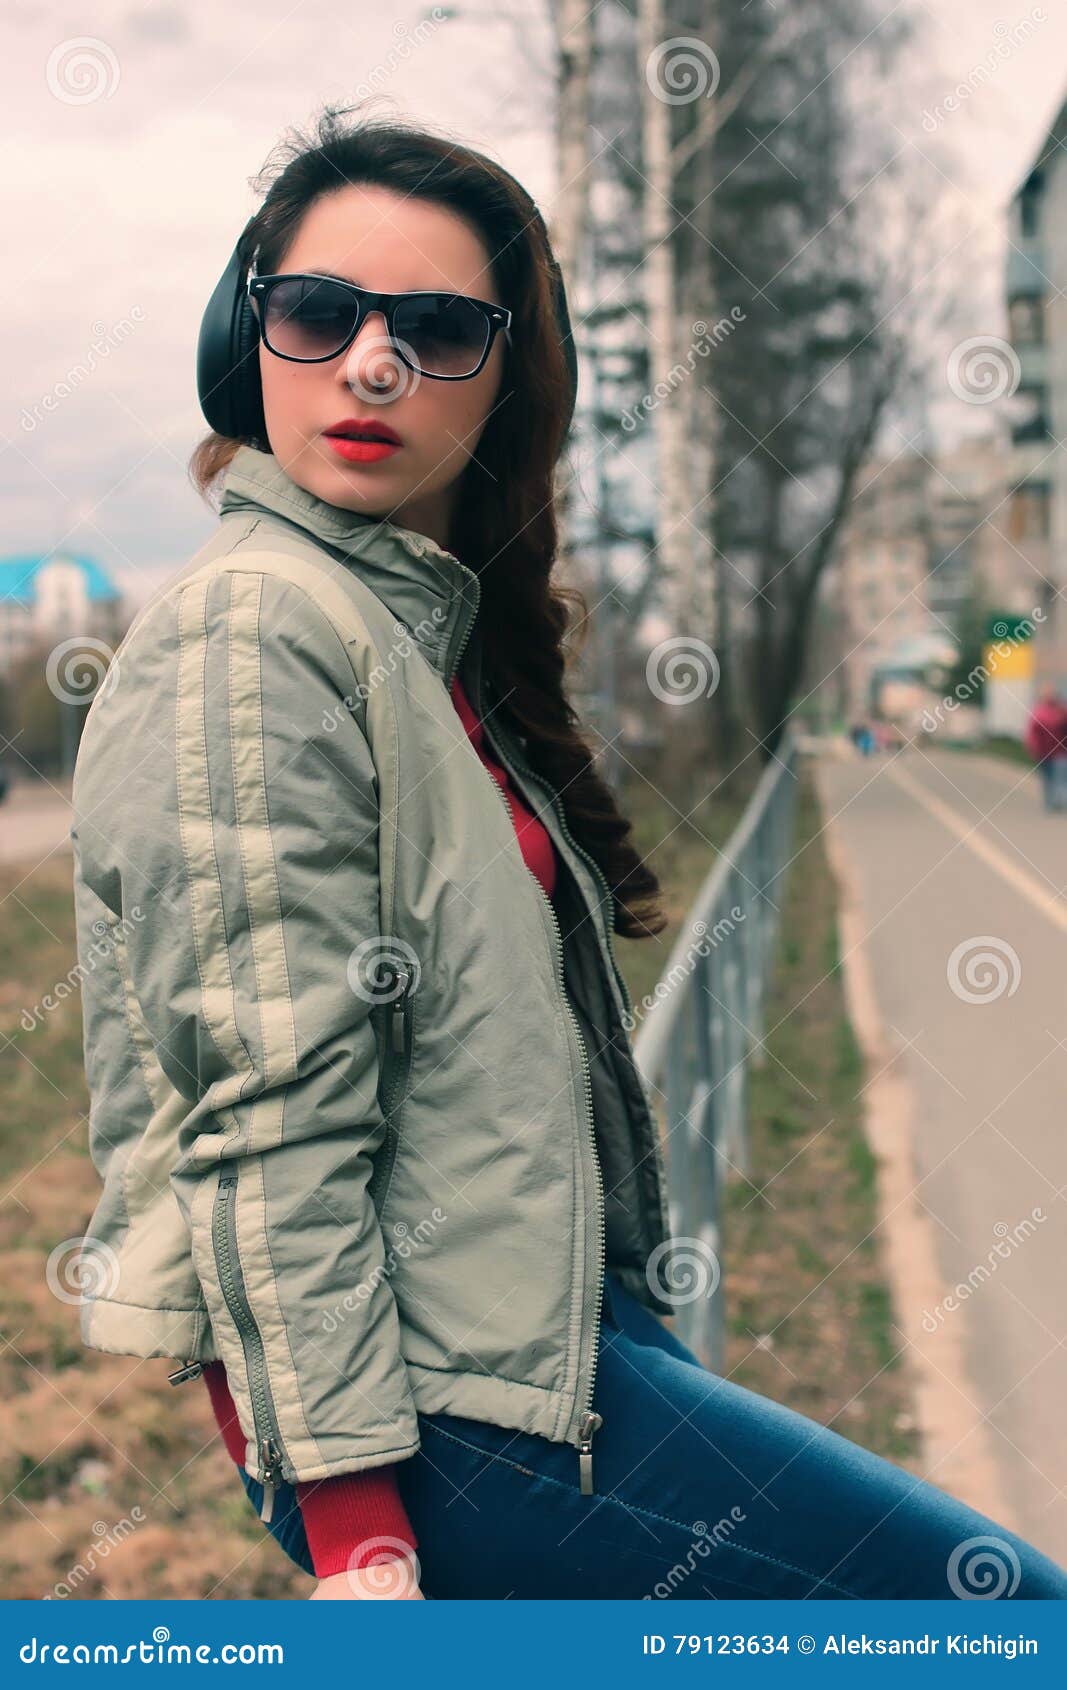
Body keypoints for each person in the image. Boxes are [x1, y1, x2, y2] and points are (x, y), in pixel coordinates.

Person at [69, 107, 1067, 1602]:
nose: (371, 362)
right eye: (317, 311)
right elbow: (264, 1109)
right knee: (995, 1619)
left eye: (438, 328)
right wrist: (361, 1542)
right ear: (243, 335)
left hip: (536, 1355)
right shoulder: (255, 633)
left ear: (504, 379)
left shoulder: (406, 626)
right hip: (433, 1418)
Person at [1024, 682, 1067, 812]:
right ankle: (1049, 803)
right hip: (1043, 753)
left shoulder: (1062, 711)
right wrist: (1033, 749)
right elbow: (1032, 734)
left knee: (1060, 778)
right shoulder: (1038, 713)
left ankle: (1059, 801)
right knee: (1047, 780)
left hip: (1060, 752)